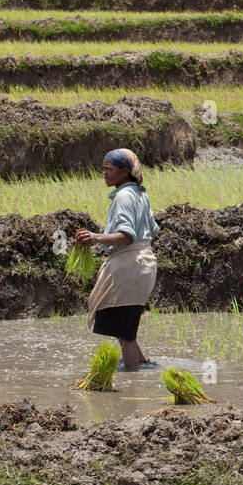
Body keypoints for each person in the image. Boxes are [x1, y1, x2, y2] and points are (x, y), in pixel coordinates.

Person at [75, 148, 160, 372]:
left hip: (129, 267)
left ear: (124, 172)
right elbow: (154, 229)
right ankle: (142, 364)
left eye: (108, 169)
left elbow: (126, 235)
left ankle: (132, 379)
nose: (103, 173)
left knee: (125, 331)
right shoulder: (140, 193)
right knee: (125, 325)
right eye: (103, 169)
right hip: (144, 263)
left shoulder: (123, 196)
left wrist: (95, 237)